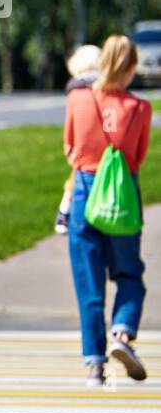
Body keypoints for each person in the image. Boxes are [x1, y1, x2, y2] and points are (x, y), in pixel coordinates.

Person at [64, 34, 150, 387]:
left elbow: (69, 147)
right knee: (129, 275)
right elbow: (138, 158)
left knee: (90, 284)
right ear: (131, 69)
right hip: (122, 197)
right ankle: (122, 335)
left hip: (85, 193)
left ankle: (94, 367)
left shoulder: (79, 99)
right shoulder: (141, 108)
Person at [55, 43, 101, 235]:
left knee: (74, 182)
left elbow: (70, 133)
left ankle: (64, 213)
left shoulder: (74, 94)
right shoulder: (105, 89)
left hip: (82, 157)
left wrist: (70, 152)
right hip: (105, 153)